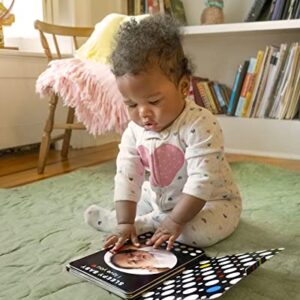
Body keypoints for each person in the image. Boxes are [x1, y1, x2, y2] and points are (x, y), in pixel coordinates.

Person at [84, 14, 242, 253]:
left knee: (196, 234)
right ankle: (129, 222)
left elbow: (202, 182)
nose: (143, 113)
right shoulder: (134, 130)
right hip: (162, 196)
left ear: (183, 87)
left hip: (212, 202)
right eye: (131, 105)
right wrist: (125, 221)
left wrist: (174, 221)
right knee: (142, 194)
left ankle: (147, 222)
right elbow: (127, 175)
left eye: (154, 101)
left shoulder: (201, 124)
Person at [107, 245, 175, 274]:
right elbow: (172, 270)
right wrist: (158, 270)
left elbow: (131, 246)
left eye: (131, 254)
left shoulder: (147, 248)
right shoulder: (159, 266)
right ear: (143, 267)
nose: (136, 257)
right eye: (133, 262)